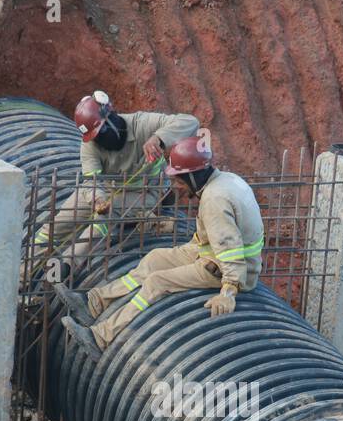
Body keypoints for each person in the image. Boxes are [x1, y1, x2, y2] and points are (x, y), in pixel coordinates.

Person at [60, 135, 264, 358]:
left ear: (192, 176)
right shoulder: (224, 180)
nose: (177, 185)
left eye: (179, 179)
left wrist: (228, 291)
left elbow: (230, 250)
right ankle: (94, 303)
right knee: (154, 258)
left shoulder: (215, 199)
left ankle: (100, 337)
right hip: (206, 251)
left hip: (223, 268)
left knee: (156, 282)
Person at [40, 92, 199, 262]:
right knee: (56, 226)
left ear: (110, 118)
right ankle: (22, 275)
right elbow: (90, 182)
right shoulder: (90, 145)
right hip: (107, 190)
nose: (98, 141)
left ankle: (65, 267)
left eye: (100, 134)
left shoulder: (141, 124)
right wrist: (98, 200)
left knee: (104, 218)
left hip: (145, 192)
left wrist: (158, 138)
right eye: (94, 137)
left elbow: (191, 122)